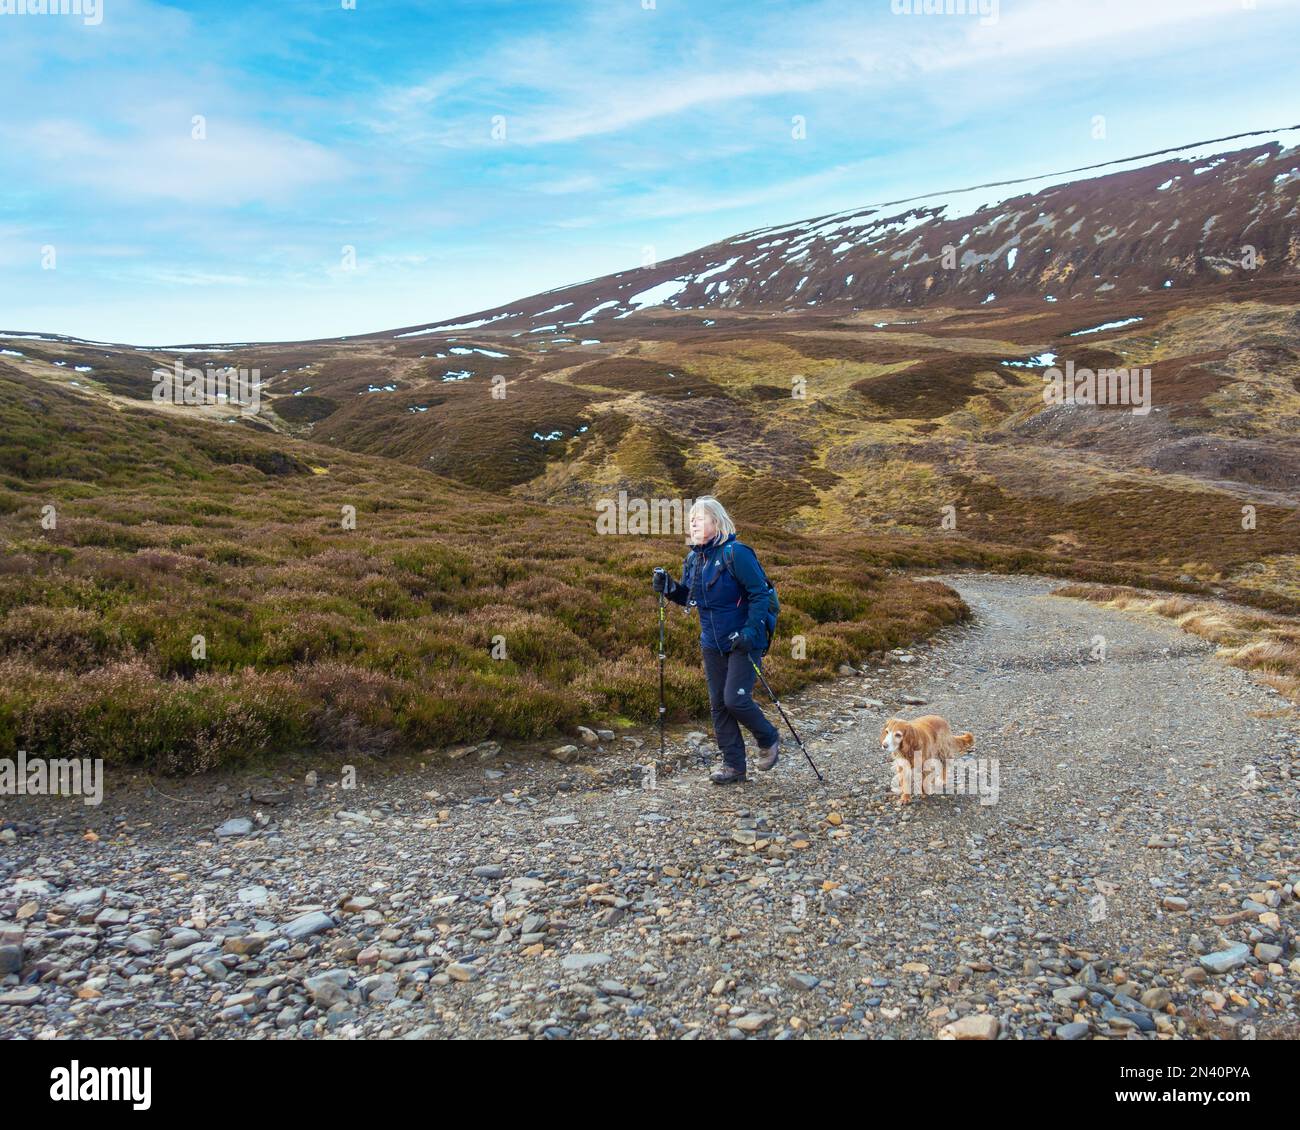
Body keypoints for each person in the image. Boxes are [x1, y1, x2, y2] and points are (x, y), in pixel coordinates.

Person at [652, 497, 780, 783]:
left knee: (735, 699)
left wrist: (749, 633)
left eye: (700, 518)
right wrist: (670, 588)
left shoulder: (738, 553)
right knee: (718, 704)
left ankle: (768, 737)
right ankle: (734, 767)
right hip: (712, 641)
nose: (693, 523)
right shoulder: (694, 558)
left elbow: (759, 594)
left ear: (717, 522)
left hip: (744, 639)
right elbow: (691, 598)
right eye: (691, 519)